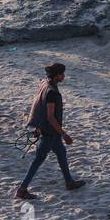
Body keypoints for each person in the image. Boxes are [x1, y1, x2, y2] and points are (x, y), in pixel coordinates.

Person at [16, 63, 86, 200]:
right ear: (56, 75)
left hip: (48, 131)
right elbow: (50, 116)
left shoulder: (45, 84)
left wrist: (38, 127)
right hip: (50, 133)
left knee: (61, 153)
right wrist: (63, 133)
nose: (64, 76)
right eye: (62, 74)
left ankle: (69, 182)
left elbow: (38, 106)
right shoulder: (52, 93)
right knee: (38, 160)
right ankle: (22, 189)